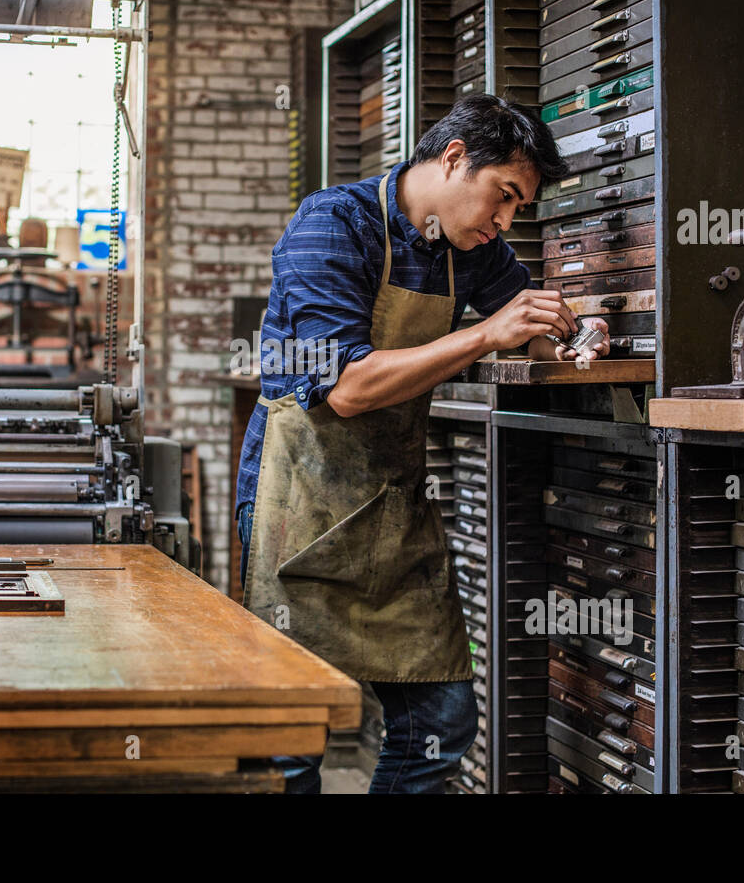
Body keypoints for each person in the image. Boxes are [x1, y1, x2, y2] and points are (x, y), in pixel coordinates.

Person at [236, 93, 610, 793]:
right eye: (503, 196)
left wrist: (568, 331)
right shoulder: (333, 225)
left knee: (440, 720)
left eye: (518, 209)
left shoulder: (470, 248)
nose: (504, 222)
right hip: (301, 503)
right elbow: (346, 386)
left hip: (392, 506)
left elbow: (521, 318)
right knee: (292, 738)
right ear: (454, 157)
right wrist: (481, 335)